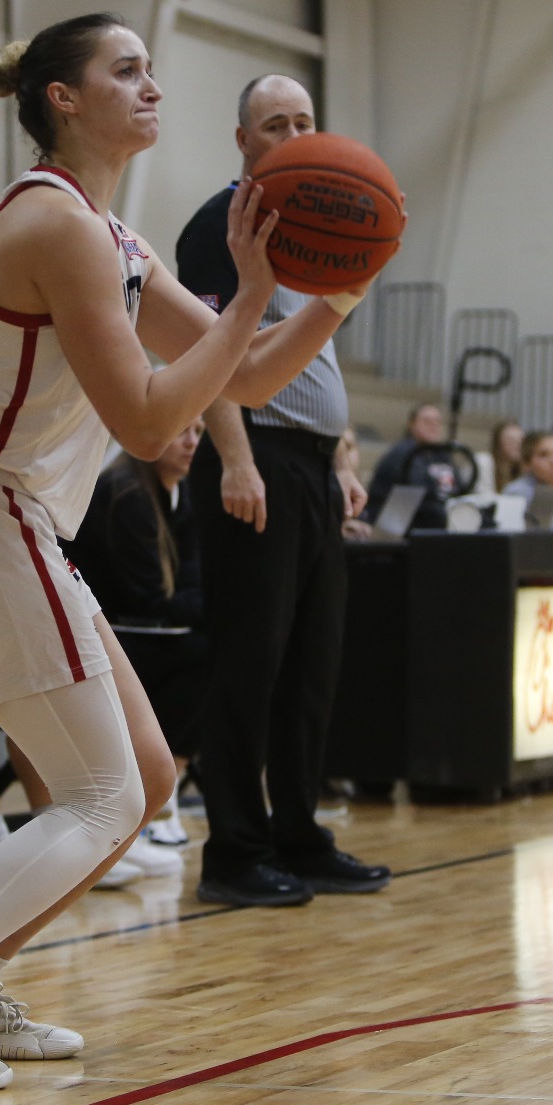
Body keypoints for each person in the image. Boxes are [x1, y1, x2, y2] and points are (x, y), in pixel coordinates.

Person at [0, 13, 359, 1091]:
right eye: (128, 70)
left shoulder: (111, 234)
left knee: (142, 778)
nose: (153, 86)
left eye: (152, 70)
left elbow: (243, 380)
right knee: (103, 792)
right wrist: (250, 296)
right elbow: (155, 423)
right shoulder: (54, 224)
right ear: (63, 98)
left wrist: (335, 295)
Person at [175, 72, 389, 910]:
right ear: (244, 141)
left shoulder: (315, 231)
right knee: (248, 661)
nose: (293, 132)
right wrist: (233, 458)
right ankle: (234, 848)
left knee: (311, 663)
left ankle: (299, 831)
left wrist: (340, 455)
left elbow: (317, 360)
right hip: (249, 458)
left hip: (311, 465)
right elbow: (208, 351)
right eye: (275, 122)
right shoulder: (216, 227)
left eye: (305, 120)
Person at [65, 419, 208, 861]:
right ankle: (151, 798)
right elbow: (149, 598)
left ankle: (162, 790)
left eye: (201, 432)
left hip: (145, 627)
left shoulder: (178, 492)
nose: (191, 441)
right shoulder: (125, 493)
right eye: (182, 428)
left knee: (224, 649)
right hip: (103, 632)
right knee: (207, 658)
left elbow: (190, 583)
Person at [364, 403, 460, 532]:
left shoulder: (442, 455)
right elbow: (418, 493)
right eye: (427, 421)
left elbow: (459, 487)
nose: (433, 426)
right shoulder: (402, 454)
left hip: (432, 518)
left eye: (437, 422)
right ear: (412, 424)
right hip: (399, 523)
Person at [490, 420, 523, 492]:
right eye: (510, 440)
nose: (517, 445)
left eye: (520, 440)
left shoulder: (523, 469)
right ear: (498, 443)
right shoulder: (486, 462)